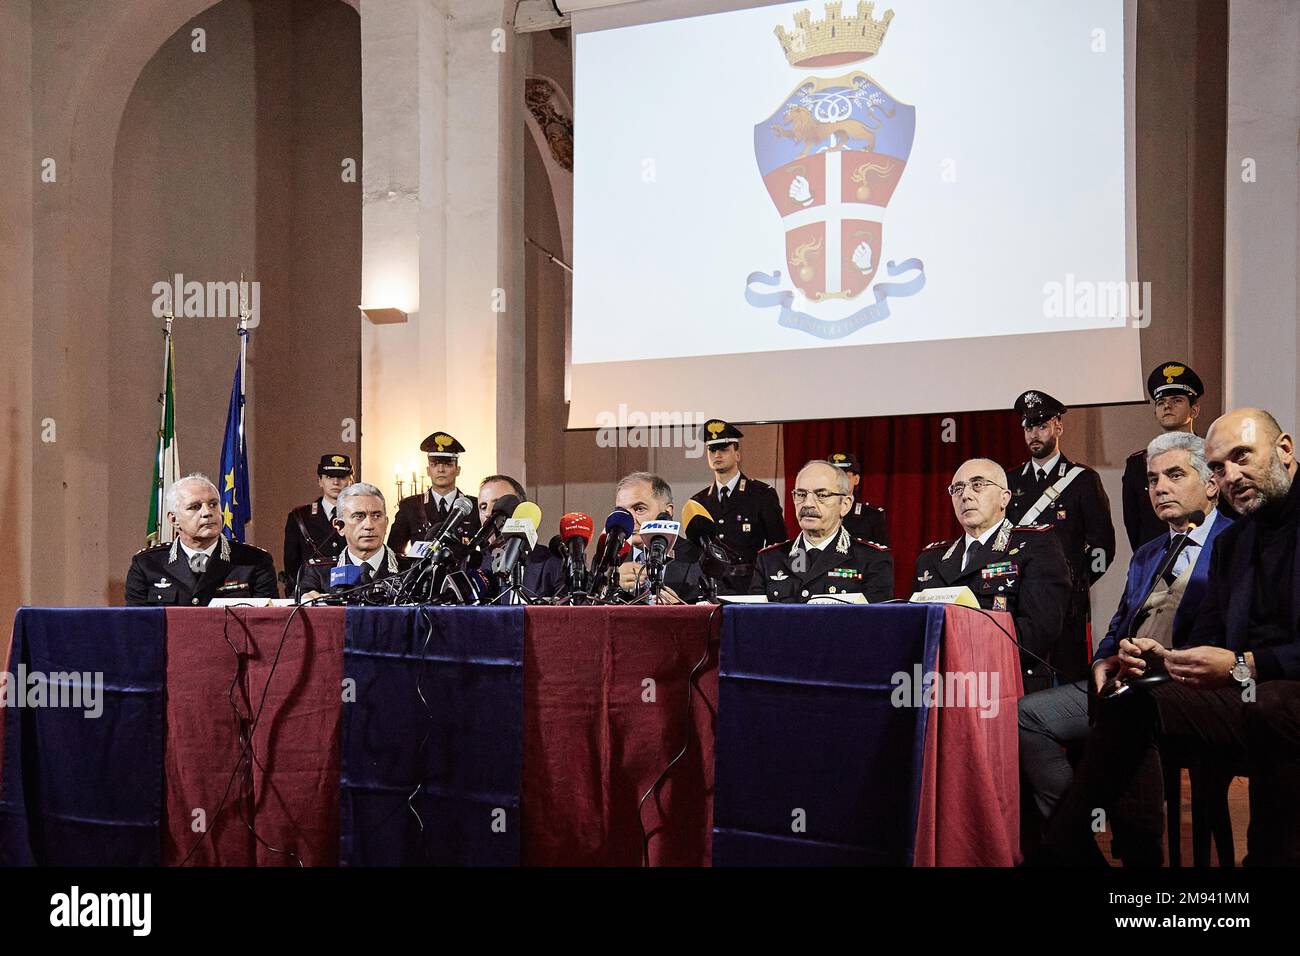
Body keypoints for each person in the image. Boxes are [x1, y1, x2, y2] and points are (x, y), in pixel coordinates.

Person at [1040, 408, 1300, 866]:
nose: (1231, 476)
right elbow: (1211, 636)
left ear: (1284, 450)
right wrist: (1168, 659)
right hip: (1244, 691)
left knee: (1271, 705)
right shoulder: (1233, 543)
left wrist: (1246, 665)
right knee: (1132, 697)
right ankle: (1068, 849)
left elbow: (1242, 662)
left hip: (1280, 690)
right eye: (1220, 466)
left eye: (1243, 457)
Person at [1019, 432, 1231, 831]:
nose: (1160, 488)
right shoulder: (1148, 553)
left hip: (1190, 683)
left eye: (1174, 475)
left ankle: (1134, 853)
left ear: (1210, 483)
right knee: (1027, 716)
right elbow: (1119, 624)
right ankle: (1077, 844)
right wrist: (1103, 659)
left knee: (1130, 712)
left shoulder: (1235, 541)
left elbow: (1234, 632)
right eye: (1152, 480)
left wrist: (1167, 658)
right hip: (1124, 678)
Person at [912, 458, 1070, 690]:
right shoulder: (931, 558)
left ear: (1004, 497)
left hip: (1007, 682)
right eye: (957, 489)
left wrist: (967, 659)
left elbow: (1038, 631)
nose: (965, 495)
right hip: (941, 684)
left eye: (977, 485)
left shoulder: (1036, 545)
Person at [1005, 390, 1116, 684]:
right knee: (1025, 680)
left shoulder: (1082, 479)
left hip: (1068, 605)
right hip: (1022, 604)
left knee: (1071, 681)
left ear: (1058, 426)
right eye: (1029, 427)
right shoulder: (1010, 481)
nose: (1034, 434)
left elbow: (1103, 547)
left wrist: (1076, 585)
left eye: (1042, 426)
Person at [751, 460, 892, 603]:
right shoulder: (769, 560)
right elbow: (754, 620)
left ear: (845, 505)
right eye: (801, 494)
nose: (808, 503)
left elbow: (877, 622)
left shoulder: (871, 560)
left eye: (822, 495)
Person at [126, 474, 278, 606]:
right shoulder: (147, 565)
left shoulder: (255, 562)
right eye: (195, 507)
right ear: (174, 519)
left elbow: (266, 626)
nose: (207, 513)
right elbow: (136, 626)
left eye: (213, 504)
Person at [688, 419, 787, 593]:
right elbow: (695, 550)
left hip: (751, 585)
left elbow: (777, 545)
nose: (717, 455)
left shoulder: (761, 494)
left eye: (724, 449)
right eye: (712, 450)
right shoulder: (699, 501)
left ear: (737, 454)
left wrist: (773, 583)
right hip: (712, 586)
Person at [1121, 361, 1207, 551]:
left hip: (1207, 557)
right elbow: (1134, 526)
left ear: (1194, 409)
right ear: (1155, 412)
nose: (1167, 406)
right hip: (1157, 559)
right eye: (1161, 402)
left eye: (1177, 400)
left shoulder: (1211, 456)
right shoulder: (1138, 464)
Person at [299, 482, 412, 599]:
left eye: (376, 516)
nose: (369, 525)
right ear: (340, 526)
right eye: (359, 516)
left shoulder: (412, 570)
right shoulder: (319, 574)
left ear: (386, 523)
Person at [387, 431, 481, 556]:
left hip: (461, 574)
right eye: (434, 464)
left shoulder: (473, 506)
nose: (441, 470)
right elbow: (394, 551)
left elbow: (486, 551)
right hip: (423, 573)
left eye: (448, 464)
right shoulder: (410, 506)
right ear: (428, 470)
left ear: (458, 470)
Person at [614, 472, 703, 603]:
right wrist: (612, 584)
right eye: (623, 512)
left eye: (639, 509)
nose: (629, 520)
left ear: (667, 513)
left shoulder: (698, 558)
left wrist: (681, 607)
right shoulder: (611, 560)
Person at [474, 474, 562, 601]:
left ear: (522, 509)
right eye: (483, 507)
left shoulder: (551, 563)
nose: (488, 513)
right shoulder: (475, 565)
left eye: (498, 504)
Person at [281, 453, 351, 594]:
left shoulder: (359, 517)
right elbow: (292, 563)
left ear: (351, 481)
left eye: (342, 477)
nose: (335, 482)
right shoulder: (300, 517)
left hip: (352, 591)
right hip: (312, 592)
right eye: (329, 477)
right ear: (320, 481)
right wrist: (301, 591)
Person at [828, 450, 889, 545]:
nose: (839, 481)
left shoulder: (871, 515)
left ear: (856, 479)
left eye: (845, 477)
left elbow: (882, 556)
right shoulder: (817, 510)